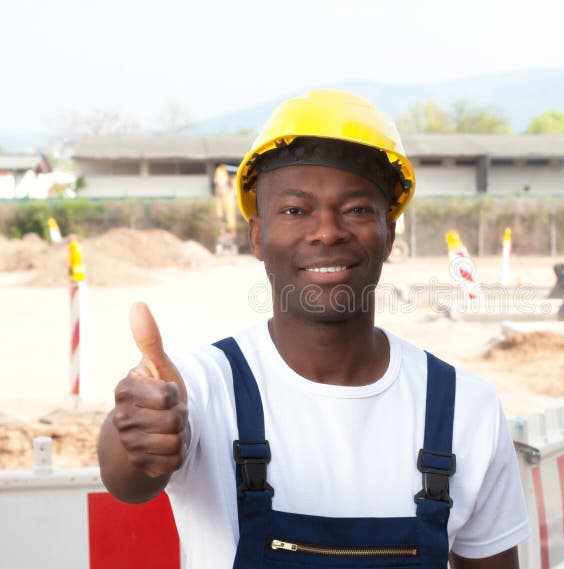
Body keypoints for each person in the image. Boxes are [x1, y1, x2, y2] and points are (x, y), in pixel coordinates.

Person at [97, 90, 531, 569]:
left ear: (389, 233)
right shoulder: (201, 386)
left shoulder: (465, 409)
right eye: (295, 210)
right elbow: (128, 478)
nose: (327, 231)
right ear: (257, 237)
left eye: (357, 209)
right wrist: (137, 441)